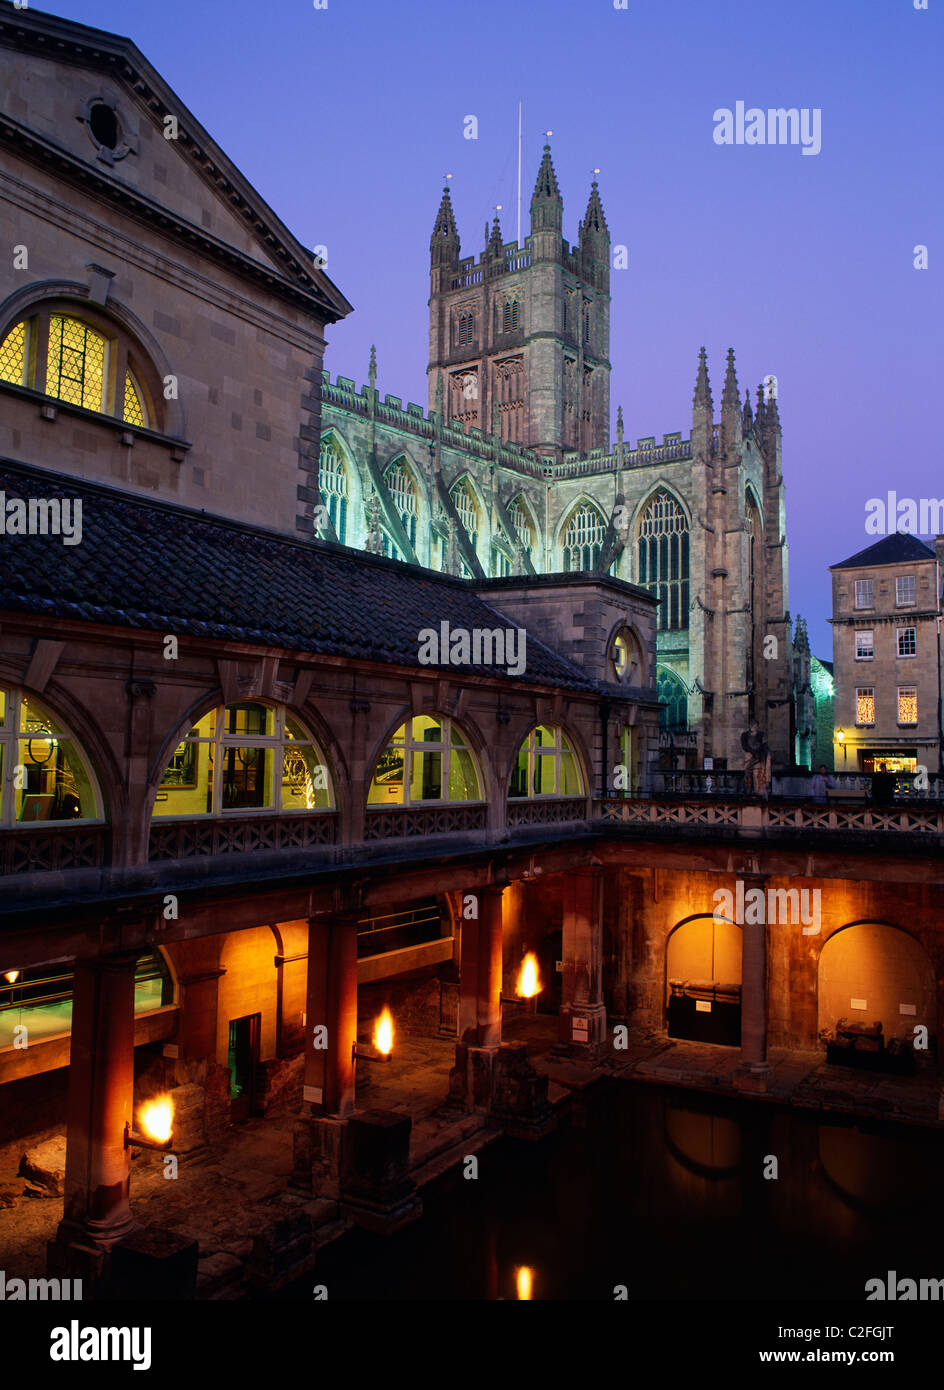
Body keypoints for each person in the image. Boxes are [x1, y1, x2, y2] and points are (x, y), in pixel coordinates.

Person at [740, 719, 771, 796]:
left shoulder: (761, 734)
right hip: (749, 757)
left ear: (757, 726)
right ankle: (748, 791)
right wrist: (753, 752)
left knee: (757, 774)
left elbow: (764, 746)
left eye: (754, 725)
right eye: (751, 725)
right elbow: (745, 746)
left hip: (759, 757)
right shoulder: (744, 735)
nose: (752, 726)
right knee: (747, 775)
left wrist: (759, 754)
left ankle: (758, 791)